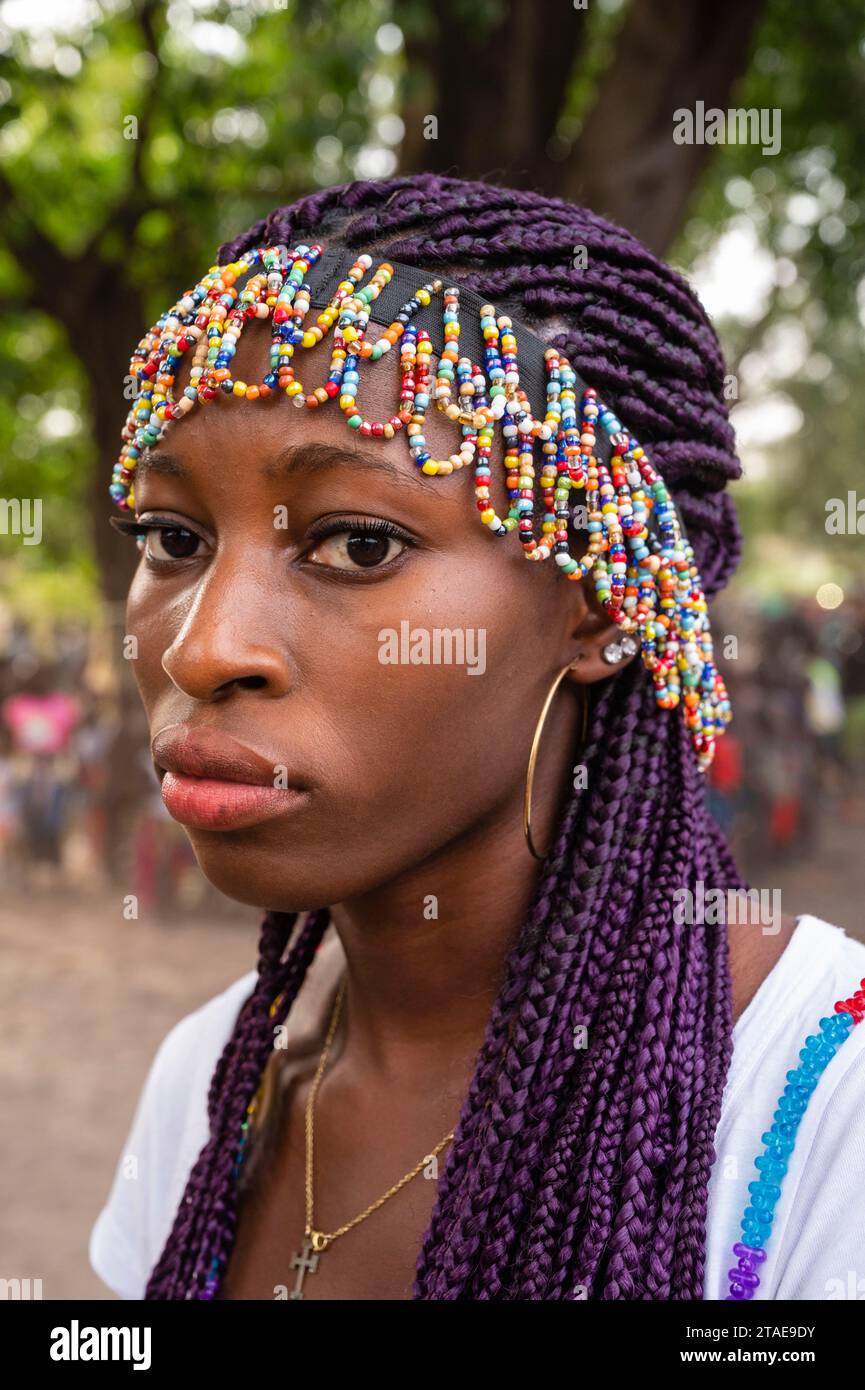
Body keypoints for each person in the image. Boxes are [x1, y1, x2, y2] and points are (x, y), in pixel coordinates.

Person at [88, 175, 865, 1302]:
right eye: (172, 535)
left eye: (357, 545)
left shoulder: (822, 1109)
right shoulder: (211, 1084)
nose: (203, 651)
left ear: (598, 605)